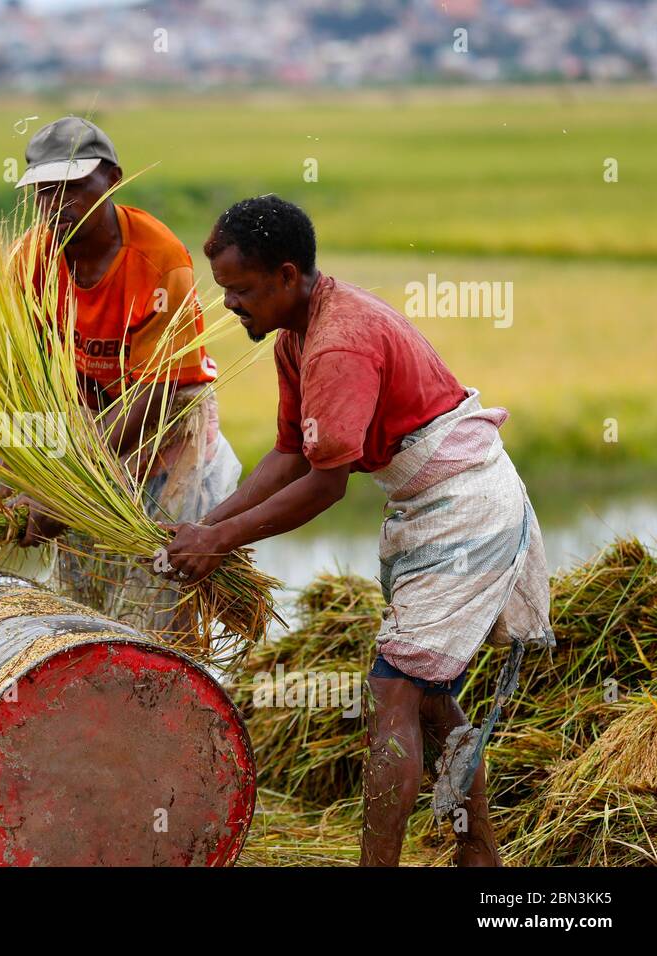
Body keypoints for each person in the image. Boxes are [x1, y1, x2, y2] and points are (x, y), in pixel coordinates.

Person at [161, 194, 555, 866]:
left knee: (394, 690)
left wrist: (218, 543)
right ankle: (478, 854)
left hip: (465, 507)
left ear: (289, 276)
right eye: (224, 290)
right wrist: (204, 525)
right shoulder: (295, 338)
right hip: (428, 505)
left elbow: (325, 483)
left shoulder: (338, 342)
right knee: (428, 703)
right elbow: (290, 454)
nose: (231, 305)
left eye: (243, 289)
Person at [0, 116, 242, 640]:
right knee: (86, 599)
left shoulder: (157, 259)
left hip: (165, 423)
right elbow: (26, 382)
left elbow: (157, 391)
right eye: (45, 192)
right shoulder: (29, 263)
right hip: (86, 421)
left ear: (113, 179)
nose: (59, 205)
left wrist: (71, 486)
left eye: (74, 188)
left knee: (164, 589)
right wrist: (14, 471)